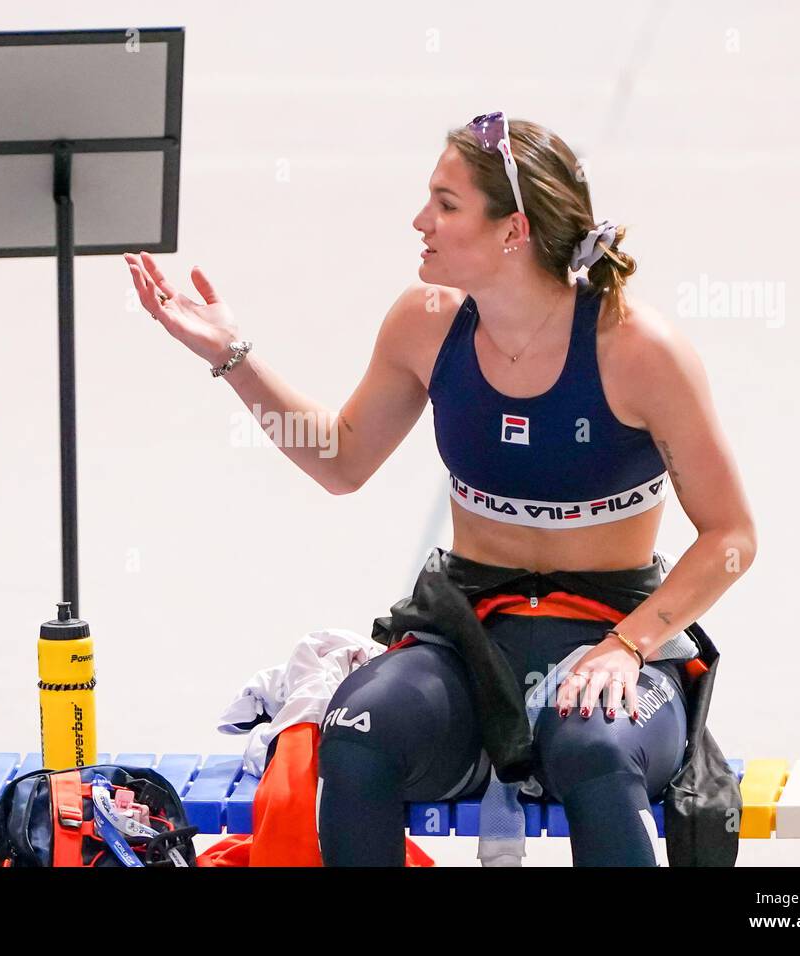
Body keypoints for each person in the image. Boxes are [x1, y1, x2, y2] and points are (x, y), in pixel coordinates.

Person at [123, 111, 757, 866]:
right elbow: (339, 459)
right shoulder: (425, 325)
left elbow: (731, 537)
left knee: (591, 745)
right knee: (357, 732)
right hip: (468, 634)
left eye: (447, 204)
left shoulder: (637, 350)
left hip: (609, 633)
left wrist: (628, 647)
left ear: (512, 231)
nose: (420, 220)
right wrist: (233, 357)